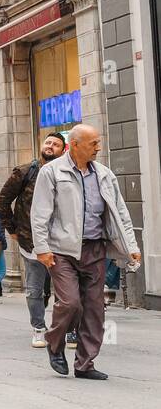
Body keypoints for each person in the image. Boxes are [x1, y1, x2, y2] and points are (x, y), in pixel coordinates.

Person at [30, 124, 140, 381]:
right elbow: (40, 213)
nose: (98, 148)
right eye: (93, 144)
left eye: (98, 143)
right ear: (75, 145)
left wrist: (131, 247)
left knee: (94, 308)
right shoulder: (52, 172)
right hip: (62, 250)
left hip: (95, 248)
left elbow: (120, 214)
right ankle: (54, 344)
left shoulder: (104, 174)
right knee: (70, 303)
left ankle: (85, 363)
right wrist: (42, 248)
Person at [0, 133, 68, 347]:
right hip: (32, 242)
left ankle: (68, 329)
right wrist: (12, 228)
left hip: (62, 242)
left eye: (56, 144)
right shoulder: (25, 171)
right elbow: (3, 199)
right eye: (48, 142)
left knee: (67, 291)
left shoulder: (67, 172)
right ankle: (39, 328)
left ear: (63, 149)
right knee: (35, 288)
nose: (50, 146)